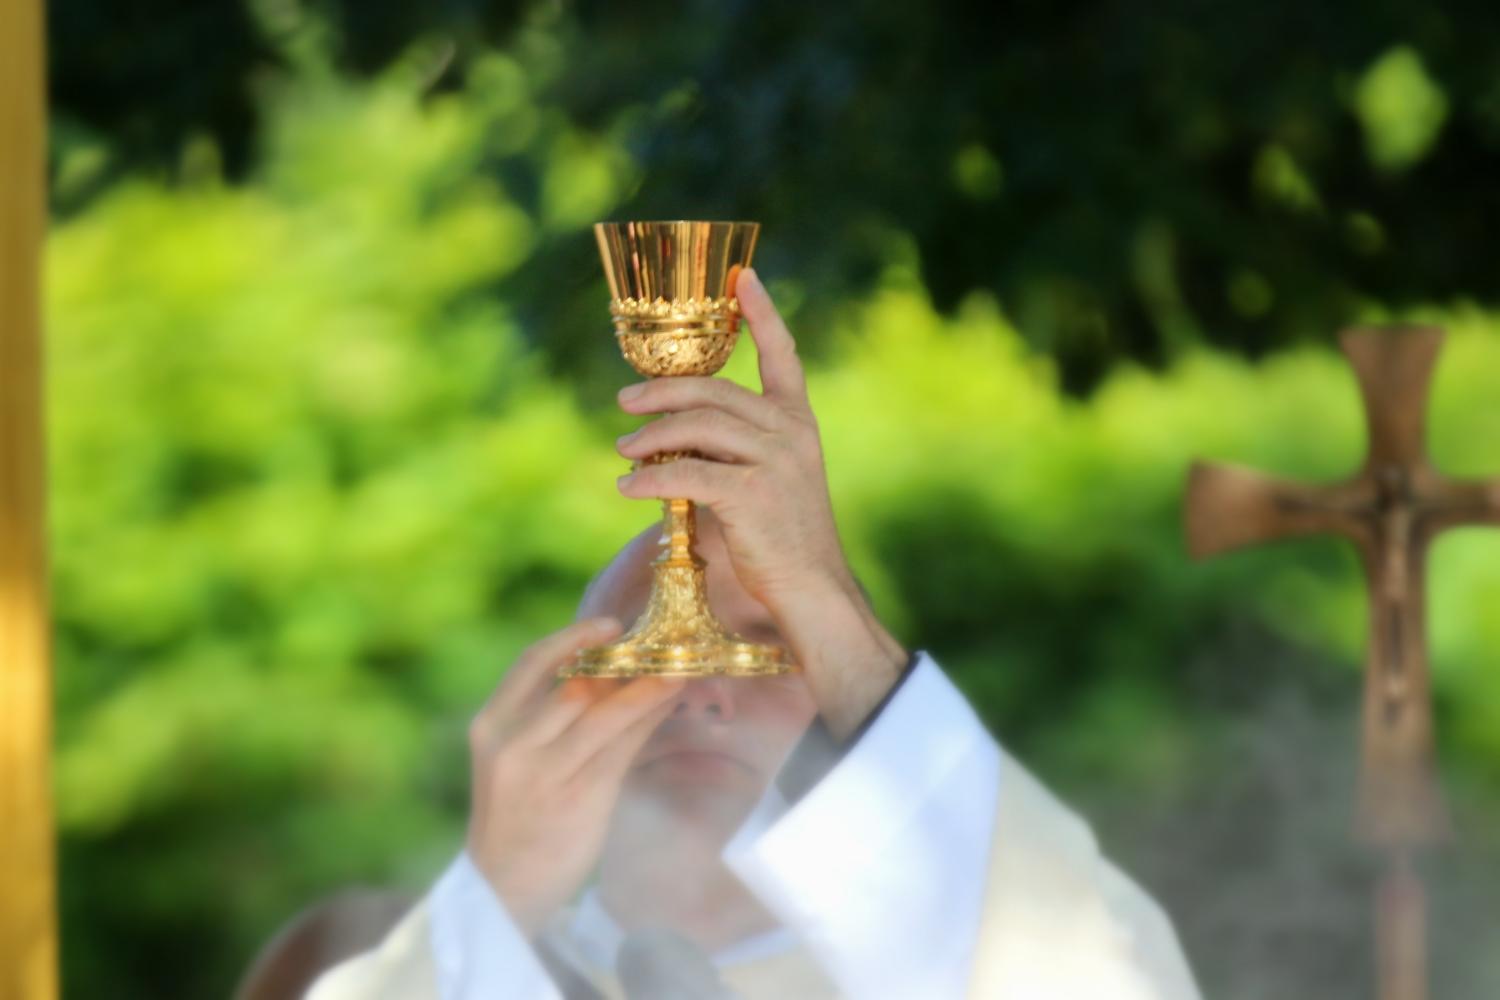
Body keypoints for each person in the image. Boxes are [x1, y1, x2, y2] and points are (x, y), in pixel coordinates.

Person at [305, 269, 1202, 1000]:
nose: (698, 693)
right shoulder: (450, 975)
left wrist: (826, 599)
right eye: (641, 651)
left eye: (769, 648)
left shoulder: (973, 959)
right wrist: (497, 897)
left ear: (834, 701)